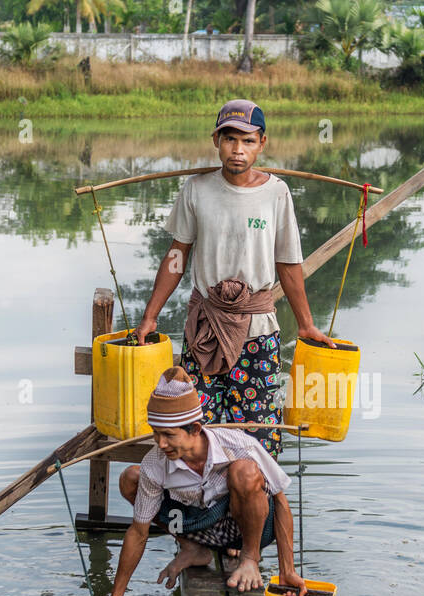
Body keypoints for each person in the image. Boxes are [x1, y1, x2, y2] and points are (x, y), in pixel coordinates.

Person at [132, 99, 336, 461]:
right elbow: (177, 257)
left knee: (257, 437)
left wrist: (306, 325)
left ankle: (257, 509)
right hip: (203, 332)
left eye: (247, 141)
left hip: (257, 333)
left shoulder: (276, 193)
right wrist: (150, 315)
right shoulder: (196, 189)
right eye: (229, 139)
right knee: (196, 432)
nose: (237, 150)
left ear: (262, 143)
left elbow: (288, 265)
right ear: (216, 141)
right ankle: (202, 512)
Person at [100, 367, 307, 596]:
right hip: (195, 526)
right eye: (156, 433)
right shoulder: (156, 462)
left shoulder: (238, 445)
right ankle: (192, 548)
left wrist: (287, 571)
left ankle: (250, 559)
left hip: (246, 530)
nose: (160, 443)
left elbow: (280, 502)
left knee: (244, 472)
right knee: (131, 478)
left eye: (169, 435)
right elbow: (138, 532)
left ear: (196, 429)